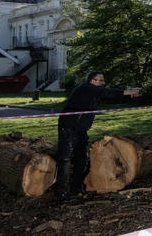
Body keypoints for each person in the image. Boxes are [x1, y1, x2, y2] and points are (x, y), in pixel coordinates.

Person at [54, 71, 142, 199]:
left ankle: (76, 187)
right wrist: (129, 91)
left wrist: (130, 96)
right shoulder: (86, 88)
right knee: (65, 158)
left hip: (81, 129)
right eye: (100, 80)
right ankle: (61, 191)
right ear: (92, 81)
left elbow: (111, 97)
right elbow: (107, 92)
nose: (103, 83)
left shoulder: (94, 92)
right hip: (68, 127)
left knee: (81, 158)